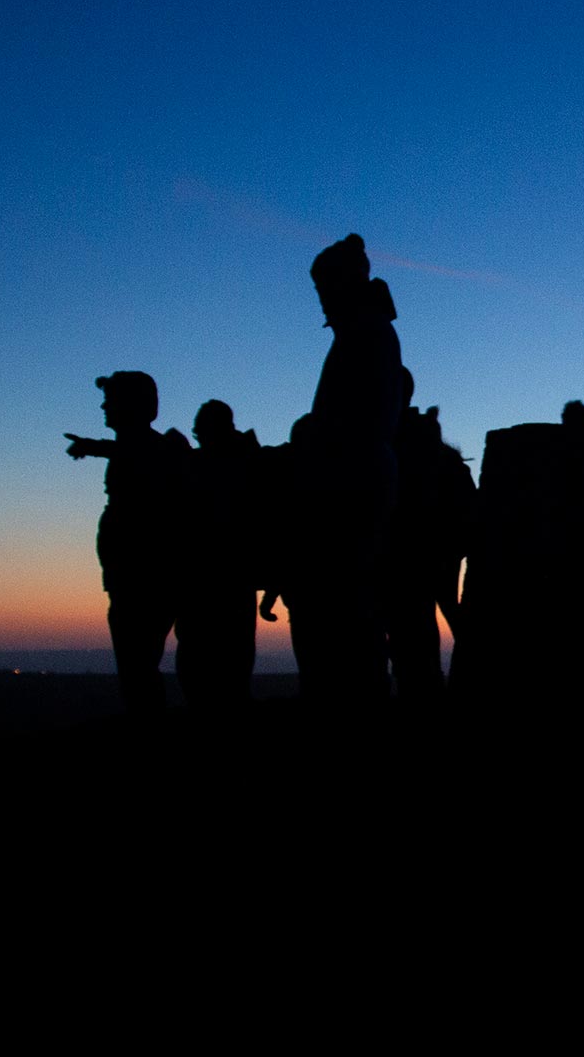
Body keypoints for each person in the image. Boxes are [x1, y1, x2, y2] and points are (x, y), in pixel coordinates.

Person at [287, 234, 407, 703]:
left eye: (324, 289)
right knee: (344, 617)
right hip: (354, 477)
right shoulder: (365, 334)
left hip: (351, 485)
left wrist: (310, 433)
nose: (321, 301)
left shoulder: (367, 335)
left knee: (344, 619)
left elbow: (355, 421)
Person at [65, 371, 190, 714]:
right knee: (139, 668)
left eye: (112, 399)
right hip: (131, 580)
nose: (104, 406)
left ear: (134, 406)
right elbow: (129, 449)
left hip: (141, 582)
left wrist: (94, 448)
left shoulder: (152, 451)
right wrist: (94, 447)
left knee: (138, 668)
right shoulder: (148, 449)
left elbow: (136, 451)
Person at [383, 376, 477, 702]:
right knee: (421, 631)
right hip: (431, 554)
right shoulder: (430, 450)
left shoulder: (394, 443)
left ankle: (433, 700)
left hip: (412, 556)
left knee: (414, 634)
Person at [176, 400, 263, 709]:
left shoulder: (235, 465)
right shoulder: (242, 461)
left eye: (200, 428)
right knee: (216, 658)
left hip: (221, 575)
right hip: (217, 575)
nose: (197, 434)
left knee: (220, 658)